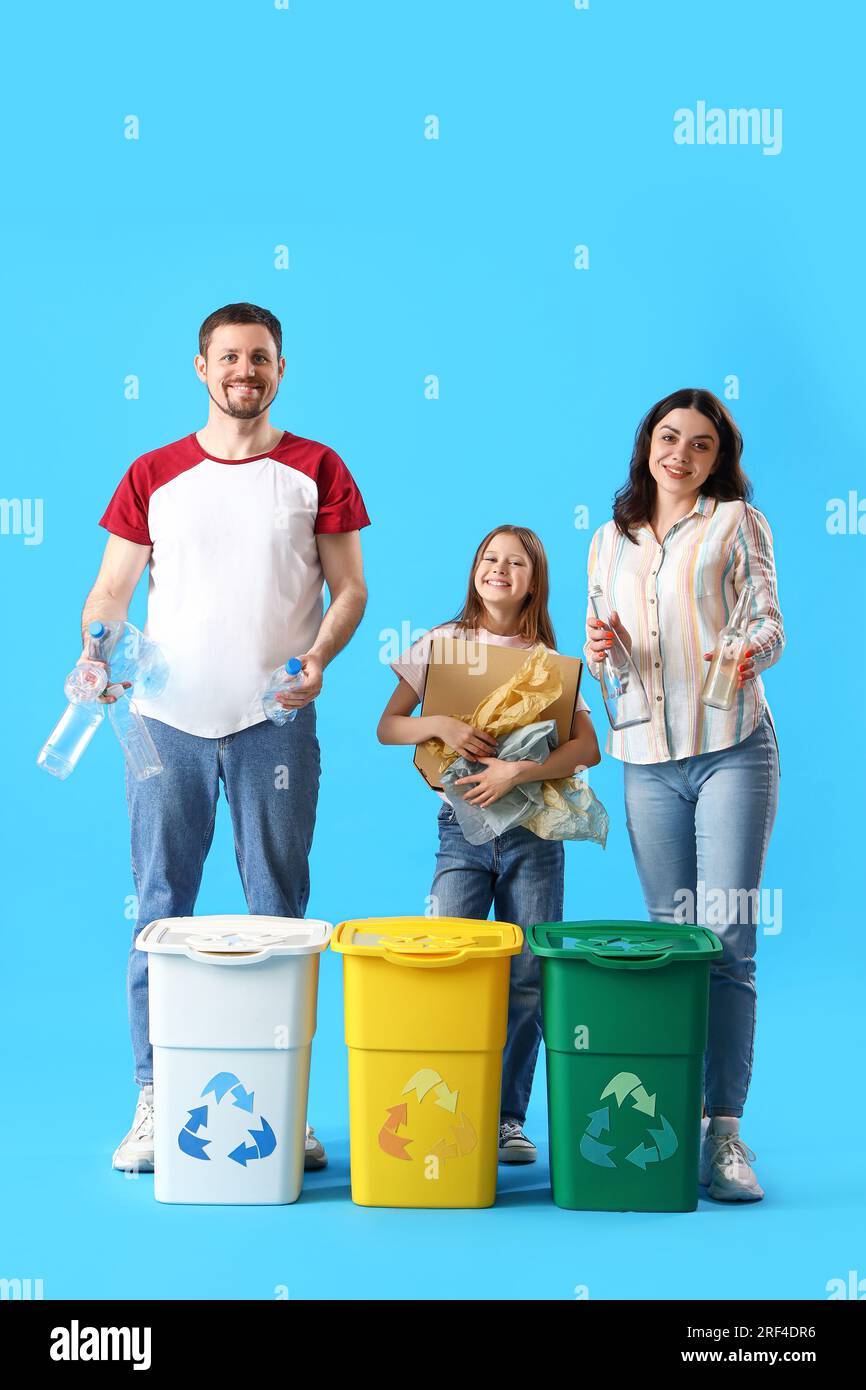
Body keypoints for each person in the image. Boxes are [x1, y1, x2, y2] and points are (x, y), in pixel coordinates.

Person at [82, 302, 370, 1174]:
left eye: (263, 358)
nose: (247, 371)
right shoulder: (153, 474)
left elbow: (350, 589)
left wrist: (318, 656)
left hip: (272, 724)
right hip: (165, 724)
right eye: (231, 357)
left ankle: (284, 1106)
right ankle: (155, 1102)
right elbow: (108, 598)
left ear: (282, 369)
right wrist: (98, 653)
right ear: (201, 368)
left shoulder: (316, 468)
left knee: (279, 909)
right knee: (160, 908)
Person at [584, 387, 783, 1201]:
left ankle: (725, 1134)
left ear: (716, 458)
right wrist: (612, 650)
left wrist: (747, 652)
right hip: (647, 758)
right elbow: (608, 665)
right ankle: (675, 1113)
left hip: (732, 745)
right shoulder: (609, 539)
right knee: (673, 946)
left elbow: (770, 619)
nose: (682, 455)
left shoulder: (738, 523)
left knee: (727, 939)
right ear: (648, 445)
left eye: (700, 445)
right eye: (670, 438)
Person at [378, 525, 601, 1162]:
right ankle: (447, 1106)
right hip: (462, 833)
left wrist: (518, 771)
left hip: (534, 834)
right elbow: (389, 726)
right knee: (452, 961)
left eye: (515, 562)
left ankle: (506, 1116)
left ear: (535, 581)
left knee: (528, 975)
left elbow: (588, 749)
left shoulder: (549, 660)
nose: (499, 569)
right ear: (475, 568)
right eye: (489, 557)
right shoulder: (441, 645)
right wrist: (442, 722)